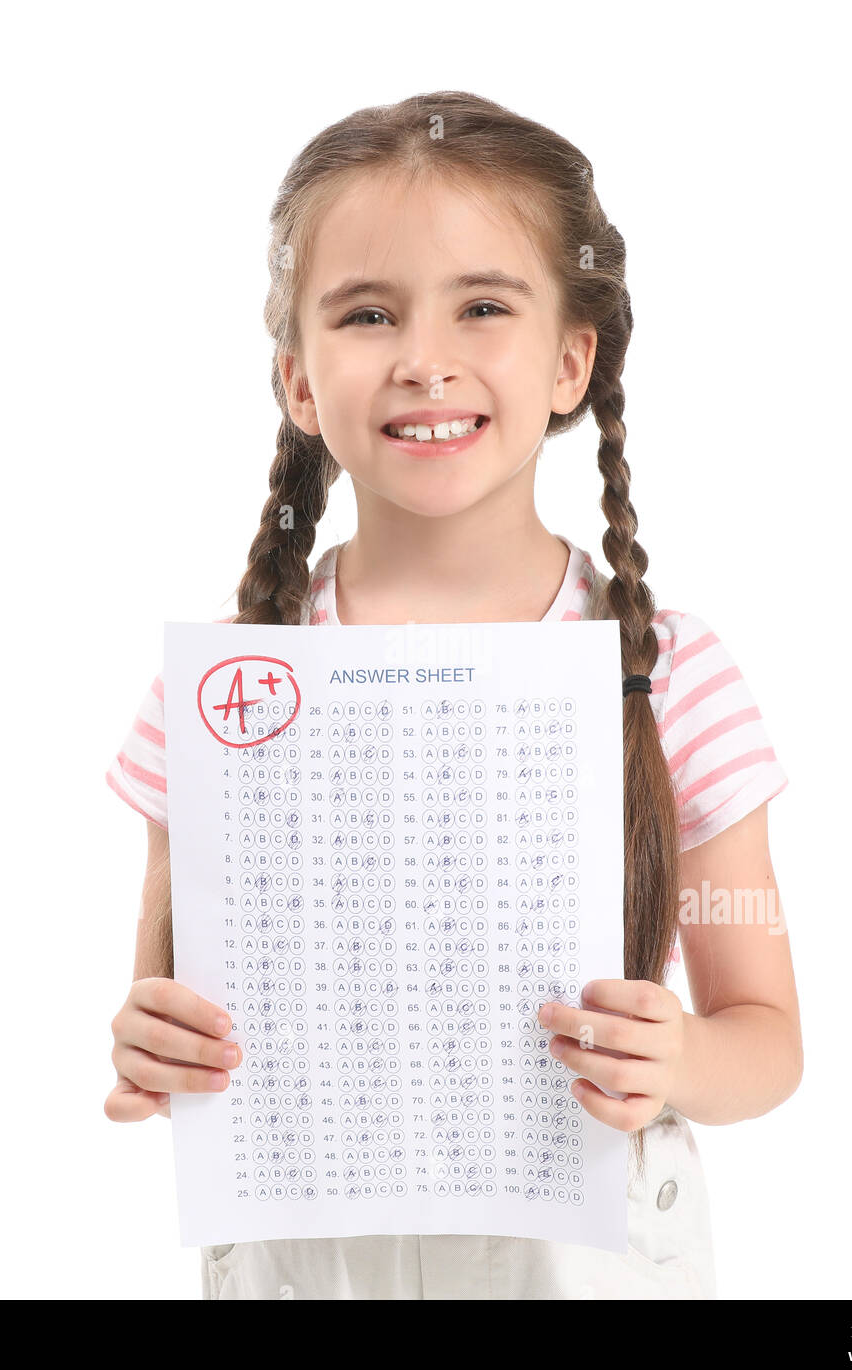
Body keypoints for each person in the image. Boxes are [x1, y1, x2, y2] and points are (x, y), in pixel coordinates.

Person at [103, 90, 801, 1300]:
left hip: (591, 1266)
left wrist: (678, 1055)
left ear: (571, 359)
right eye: (368, 313)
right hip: (300, 1271)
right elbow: (165, 997)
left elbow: (768, 1038)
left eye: (483, 305)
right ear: (300, 383)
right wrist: (150, 1046)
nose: (425, 358)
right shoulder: (221, 686)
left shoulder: (669, 671)